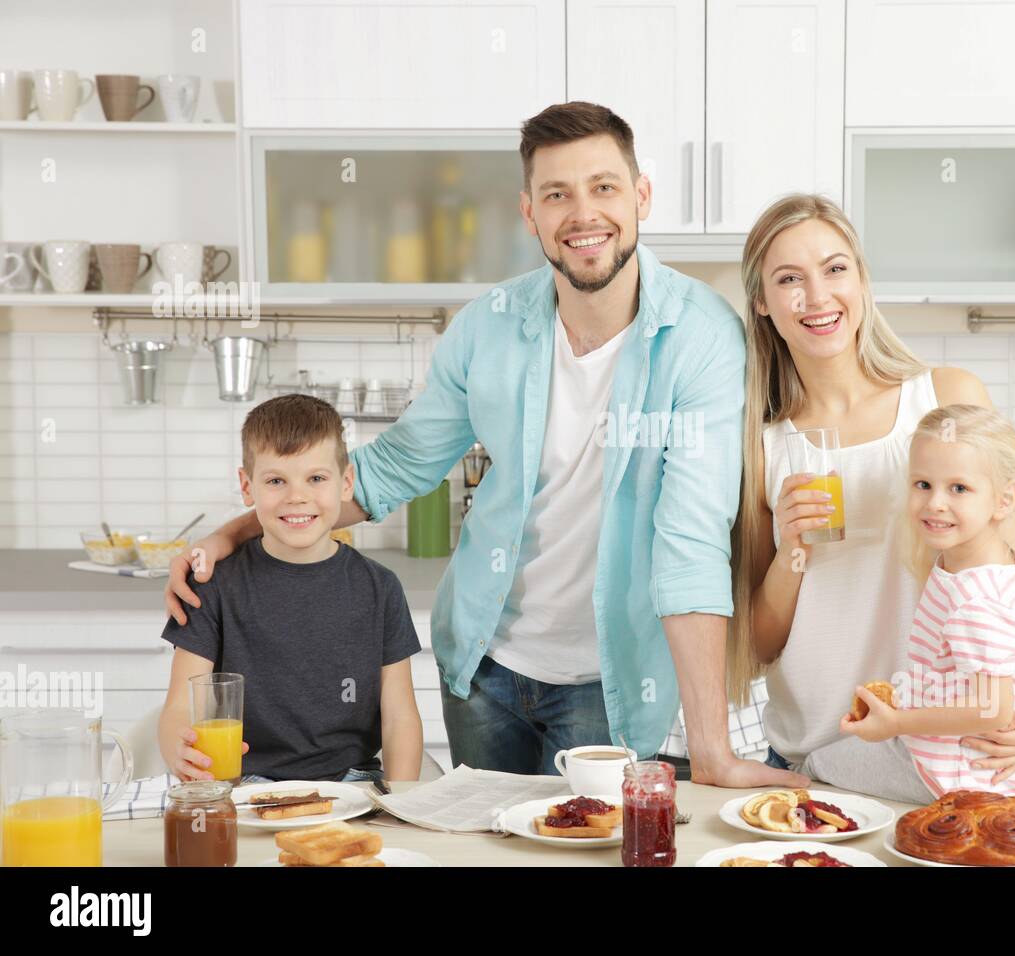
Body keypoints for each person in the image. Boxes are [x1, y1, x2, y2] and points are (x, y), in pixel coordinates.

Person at [165, 102, 806, 789]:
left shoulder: (703, 338)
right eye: (557, 194)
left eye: (604, 187)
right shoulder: (487, 329)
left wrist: (709, 749)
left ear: (642, 194)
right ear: (529, 212)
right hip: (485, 670)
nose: (583, 213)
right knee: (484, 849)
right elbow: (395, 468)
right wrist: (233, 536)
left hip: (610, 678)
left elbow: (691, 537)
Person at [726, 193, 1015, 802]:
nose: (818, 296)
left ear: (861, 279)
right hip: (813, 758)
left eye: (835, 269)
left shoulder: (943, 399)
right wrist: (790, 551)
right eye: (789, 279)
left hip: (940, 755)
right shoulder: (762, 446)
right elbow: (758, 645)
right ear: (761, 302)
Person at [158, 394, 424, 784]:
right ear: (247, 487)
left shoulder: (380, 587)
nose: (296, 496)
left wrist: (402, 804)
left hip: (354, 785)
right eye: (276, 480)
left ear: (346, 482)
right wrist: (177, 750)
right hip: (243, 785)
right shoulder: (212, 586)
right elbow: (180, 707)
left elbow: (400, 717)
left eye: (316, 478)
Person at [839, 404, 1015, 801]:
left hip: (954, 778)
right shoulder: (998, 561)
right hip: (961, 764)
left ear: (1004, 500)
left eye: (959, 489)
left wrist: (896, 723)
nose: (935, 504)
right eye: (923, 485)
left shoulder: (976, 601)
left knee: (813, 768)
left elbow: (991, 710)